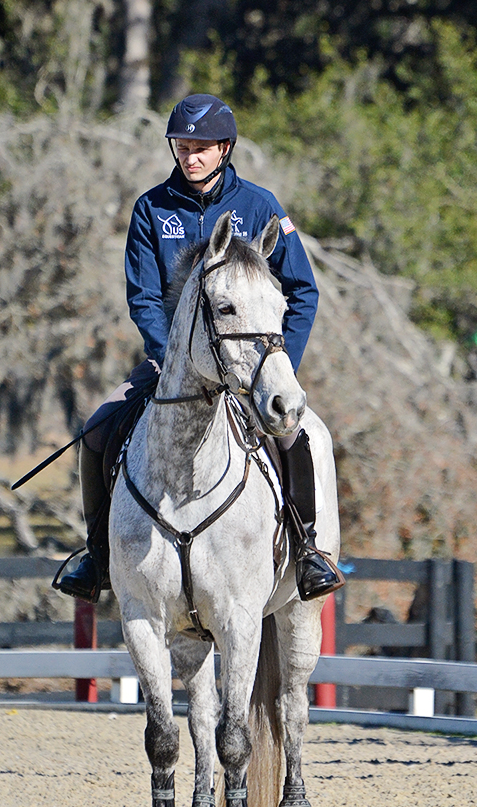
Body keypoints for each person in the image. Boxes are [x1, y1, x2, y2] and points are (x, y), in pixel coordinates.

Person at [56, 93, 343, 603]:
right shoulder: (151, 208)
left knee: (301, 437)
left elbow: (303, 290)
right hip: (169, 365)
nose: (190, 157)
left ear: (225, 147)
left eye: (201, 147)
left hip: (250, 369)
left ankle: (308, 552)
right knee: (97, 429)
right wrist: (175, 361)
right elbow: (143, 297)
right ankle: (97, 555)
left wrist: (276, 368)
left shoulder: (260, 206)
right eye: (182, 146)